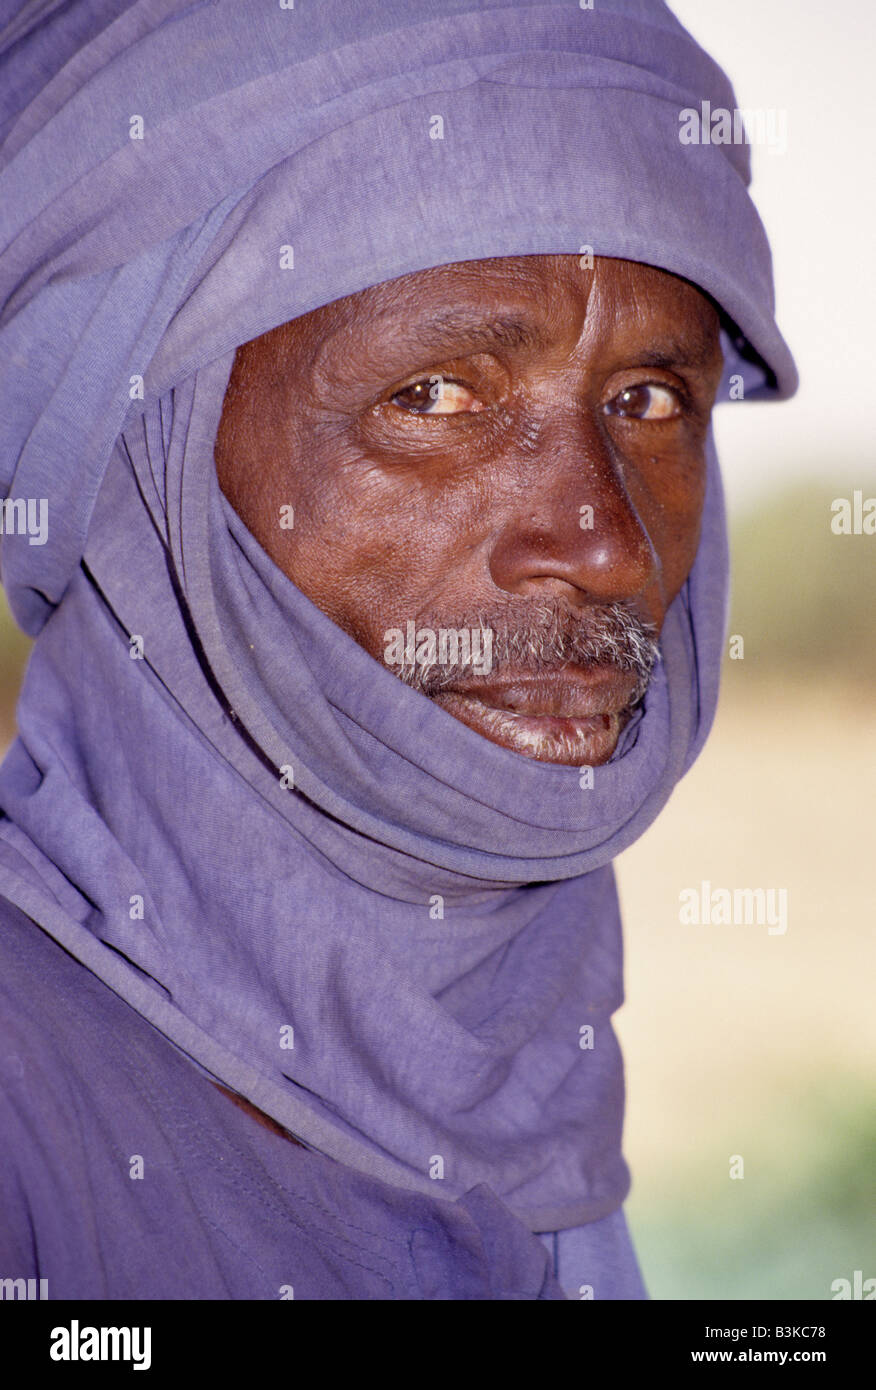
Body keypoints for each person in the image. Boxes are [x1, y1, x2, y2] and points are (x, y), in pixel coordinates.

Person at [0, 0, 796, 1300]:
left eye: (649, 400)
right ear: (135, 447)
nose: (601, 545)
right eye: (433, 397)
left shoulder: (532, 1067)